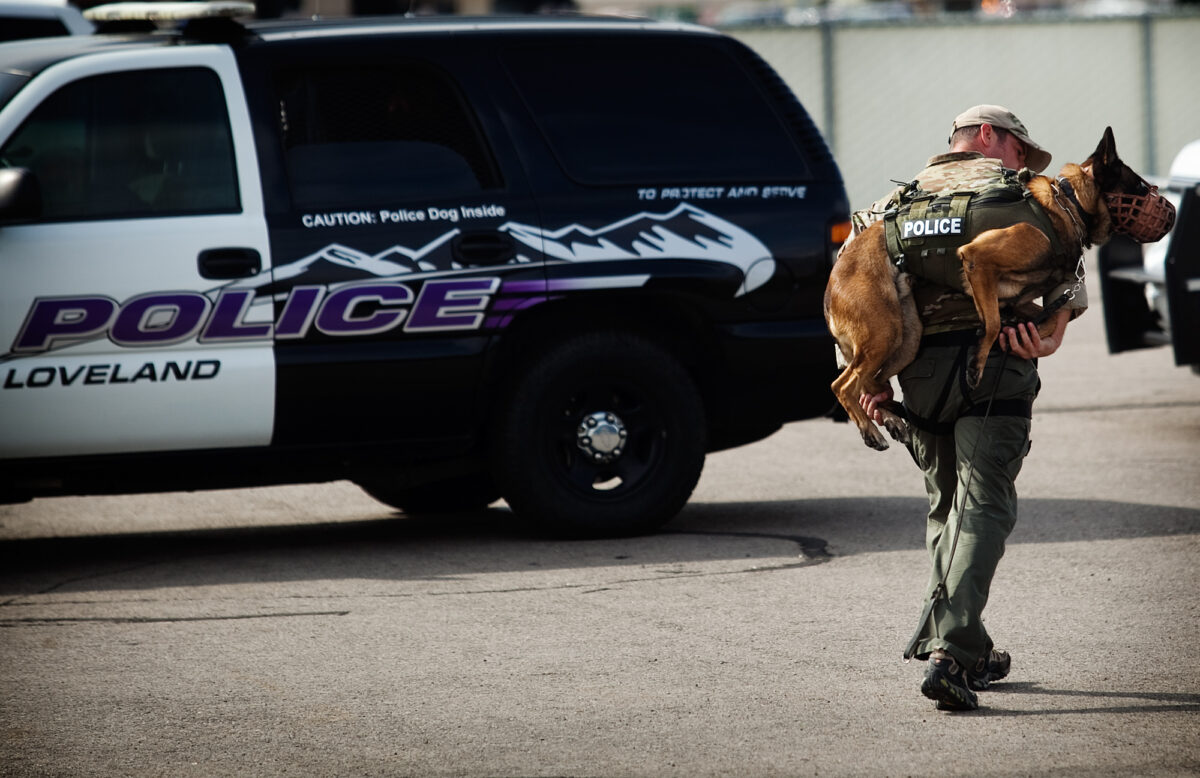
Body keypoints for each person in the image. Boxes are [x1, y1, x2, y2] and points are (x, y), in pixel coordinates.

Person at [856, 105, 1087, 711]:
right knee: (984, 504)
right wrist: (1053, 332)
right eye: (1019, 151)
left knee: (945, 508)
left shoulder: (894, 207)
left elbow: (851, 287)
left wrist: (865, 380)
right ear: (989, 138)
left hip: (921, 376)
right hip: (999, 362)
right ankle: (953, 652)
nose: (1022, 164)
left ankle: (971, 645)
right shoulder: (1018, 200)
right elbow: (1068, 262)